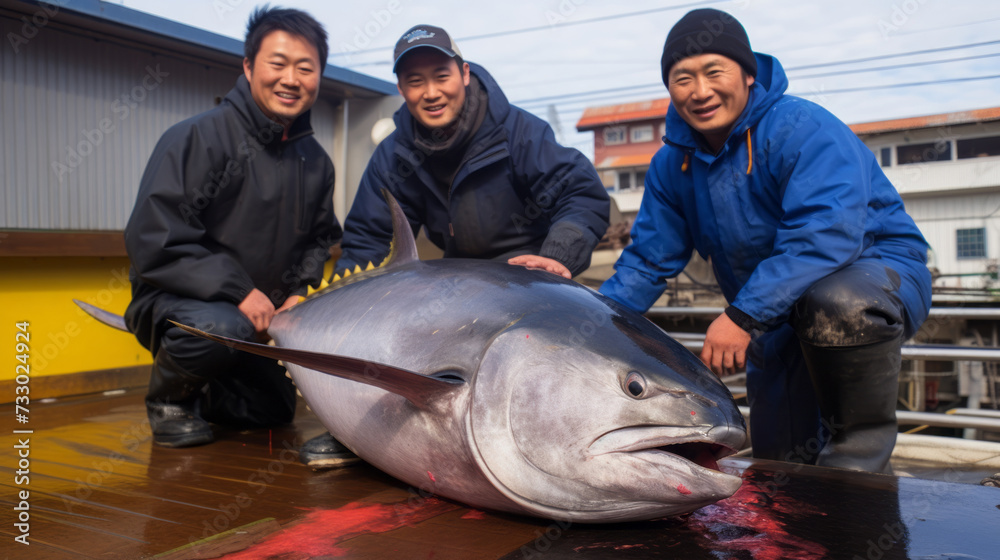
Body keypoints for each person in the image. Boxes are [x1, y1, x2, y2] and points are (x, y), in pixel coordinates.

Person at [599, 8, 932, 473]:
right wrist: (587, 317)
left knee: (838, 304)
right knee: (780, 465)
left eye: (715, 72)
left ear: (749, 75)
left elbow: (826, 233)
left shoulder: (802, 127)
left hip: (871, 275)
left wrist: (742, 314)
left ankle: (860, 474)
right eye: (682, 78)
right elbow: (649, 260)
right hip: (772, 312)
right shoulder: (670, 165)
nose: (700, 91)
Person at [298, 24, 611, 467]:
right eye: (414, 81)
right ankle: (357, 432)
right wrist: (345, 310)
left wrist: (557, 255)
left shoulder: (520, 132)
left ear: (464, 73)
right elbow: (369, 236)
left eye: (440, 75)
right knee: (394, 341)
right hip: (457, 284)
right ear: (401, 88)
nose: (430, 92)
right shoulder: (394, 154)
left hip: (530, 281)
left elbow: (582, 194)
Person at [123, 6, 341, 448]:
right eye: (277, 63)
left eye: (306, 67)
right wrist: (239, 291)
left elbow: (321, 239)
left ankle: (208, 388)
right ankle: (170, 402)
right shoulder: (198, 137)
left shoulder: (316, 162)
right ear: (247, 66)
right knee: (223, 327)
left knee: (272, 412)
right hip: (180, 305)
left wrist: (299, 291)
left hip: (259, 319)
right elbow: (154, 237)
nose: (291, 79)